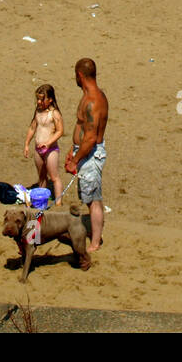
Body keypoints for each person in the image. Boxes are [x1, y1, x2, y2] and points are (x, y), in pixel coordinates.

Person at [65, 58, 108, 251]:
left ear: (80, 75)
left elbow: (90, 138)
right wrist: (72, 150)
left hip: (90, 154)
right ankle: (94, 235)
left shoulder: (92, 102)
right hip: (84, 152)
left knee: (93, 200)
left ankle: (95, 242)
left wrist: (75, 160)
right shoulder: (93, 96)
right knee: (91, 196)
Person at [24, 84, 64, 202]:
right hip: (38, 149)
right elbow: (32, 128)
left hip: (51, 150)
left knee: (54, 177)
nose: (39, 102)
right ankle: (42, 200)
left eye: (42, 99)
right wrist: (27, 143)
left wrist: (48, 142)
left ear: (50, 99)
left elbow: (60, 131)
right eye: (38, 99)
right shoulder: (38, 111)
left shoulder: (54, 114)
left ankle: (58, 202)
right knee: (41, 177)